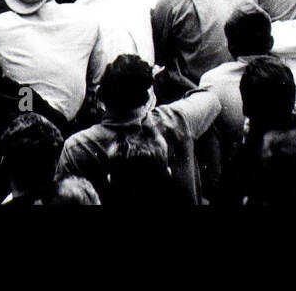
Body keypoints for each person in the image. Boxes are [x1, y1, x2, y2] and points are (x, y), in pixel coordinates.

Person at [56, 54, 221, 205]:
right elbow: (212, 98)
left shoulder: (77, 148)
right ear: (147, 97)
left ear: (101, 95)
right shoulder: (178, 119)